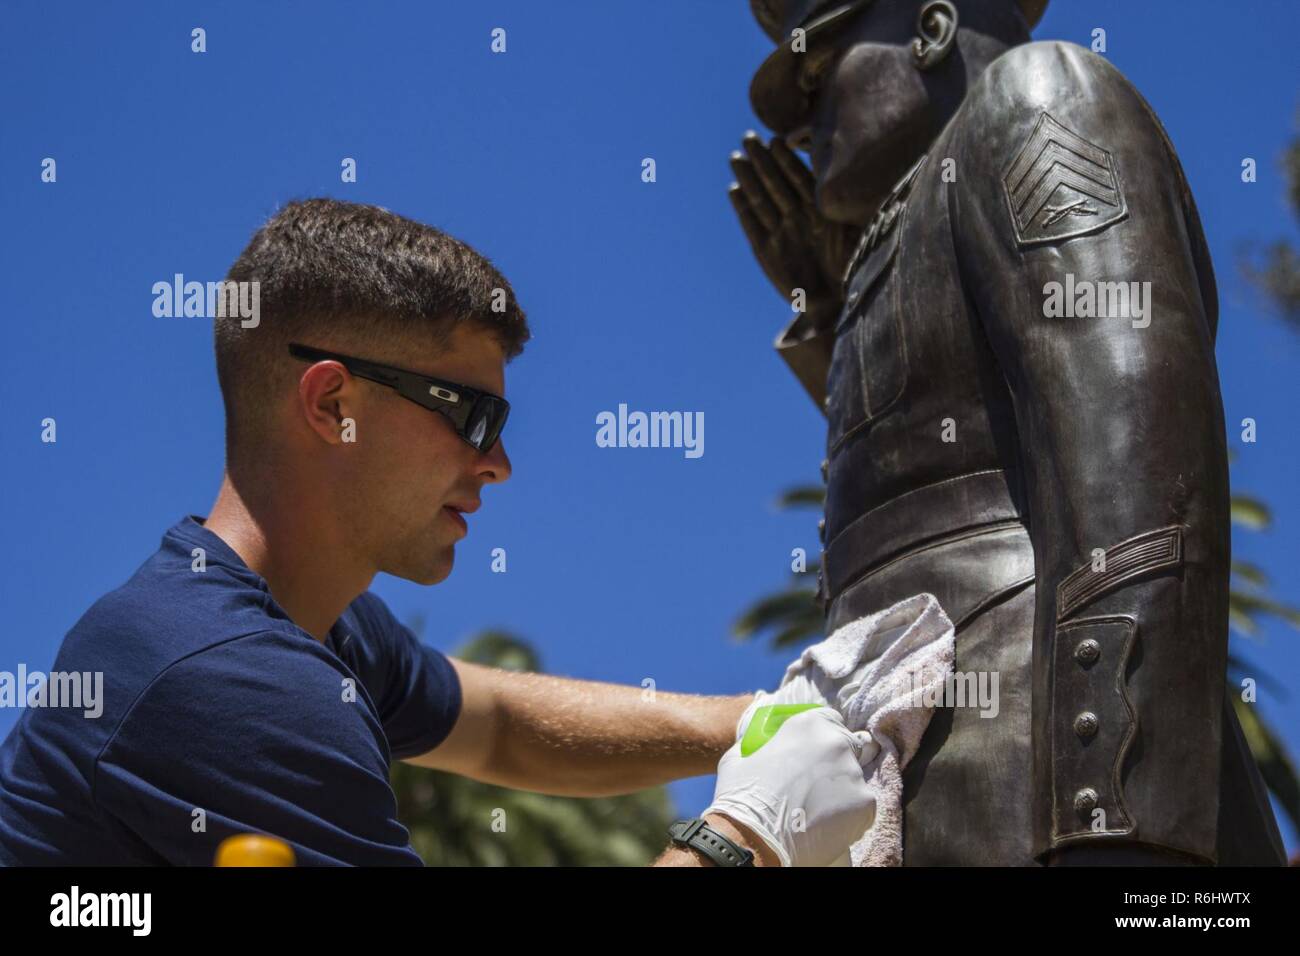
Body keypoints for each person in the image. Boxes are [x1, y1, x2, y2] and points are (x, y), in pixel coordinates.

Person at [0, 198, 874, 867]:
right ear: (332, 404)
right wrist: (741, 834)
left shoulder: (312, 627)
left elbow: (500, 725)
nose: (498, 464)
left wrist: (767, 719)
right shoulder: (229, 678)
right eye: (473, 415)